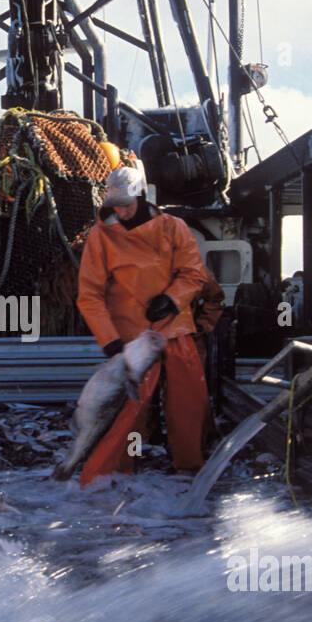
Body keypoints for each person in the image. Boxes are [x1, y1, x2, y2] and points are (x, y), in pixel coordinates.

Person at [75, 164, 219, 483]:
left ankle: (189, 467)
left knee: (189, 403)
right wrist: (110, 341)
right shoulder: (99, 237)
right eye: (116, 206)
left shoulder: (174, 226)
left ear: (141, 195)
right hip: (132, 340)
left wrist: (170, 299)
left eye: (127, 204)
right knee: (131, 413)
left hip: (176, 328)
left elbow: (193, 273)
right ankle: (125, 467)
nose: (122, 212)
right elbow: (89, 295)